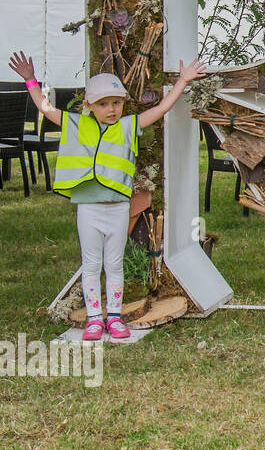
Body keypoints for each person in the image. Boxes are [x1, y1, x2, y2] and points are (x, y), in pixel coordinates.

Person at [8, 51, 207, 341]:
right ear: (89, 105)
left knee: (114, 264)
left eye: (116, 103)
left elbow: (162, 108)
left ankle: (113, 316)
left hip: (117, 209)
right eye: (103, 104)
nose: (111, 109)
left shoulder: (129, 126)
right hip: (89, 209)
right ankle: (93, 319)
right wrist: (30, 81)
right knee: (91, 264)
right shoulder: (76, 124)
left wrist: (183, 81)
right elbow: (46, 108)